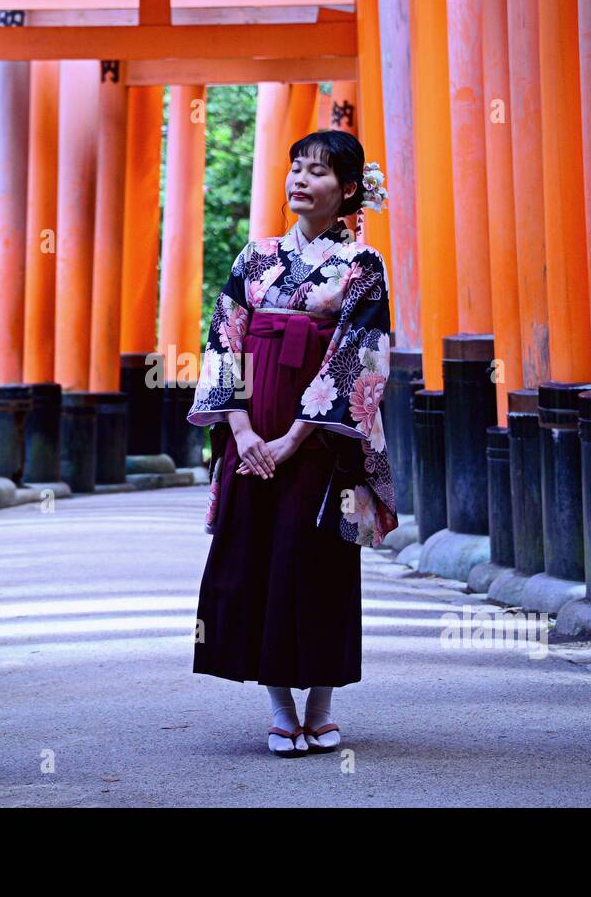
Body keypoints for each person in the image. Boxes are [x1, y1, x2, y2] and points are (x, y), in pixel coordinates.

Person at [187, 129, 398, 757]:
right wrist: (245, 430)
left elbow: (358, 354)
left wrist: (295, 436)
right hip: (253, 429)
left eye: (318, 172)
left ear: (350, 189)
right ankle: (279, 706)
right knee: (253, 559)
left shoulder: (362, 265)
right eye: (296, 169)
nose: (300, 181)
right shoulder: (255, 257)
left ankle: (323, 704)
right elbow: (226, 339)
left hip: (320, 438)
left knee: (316, 561)